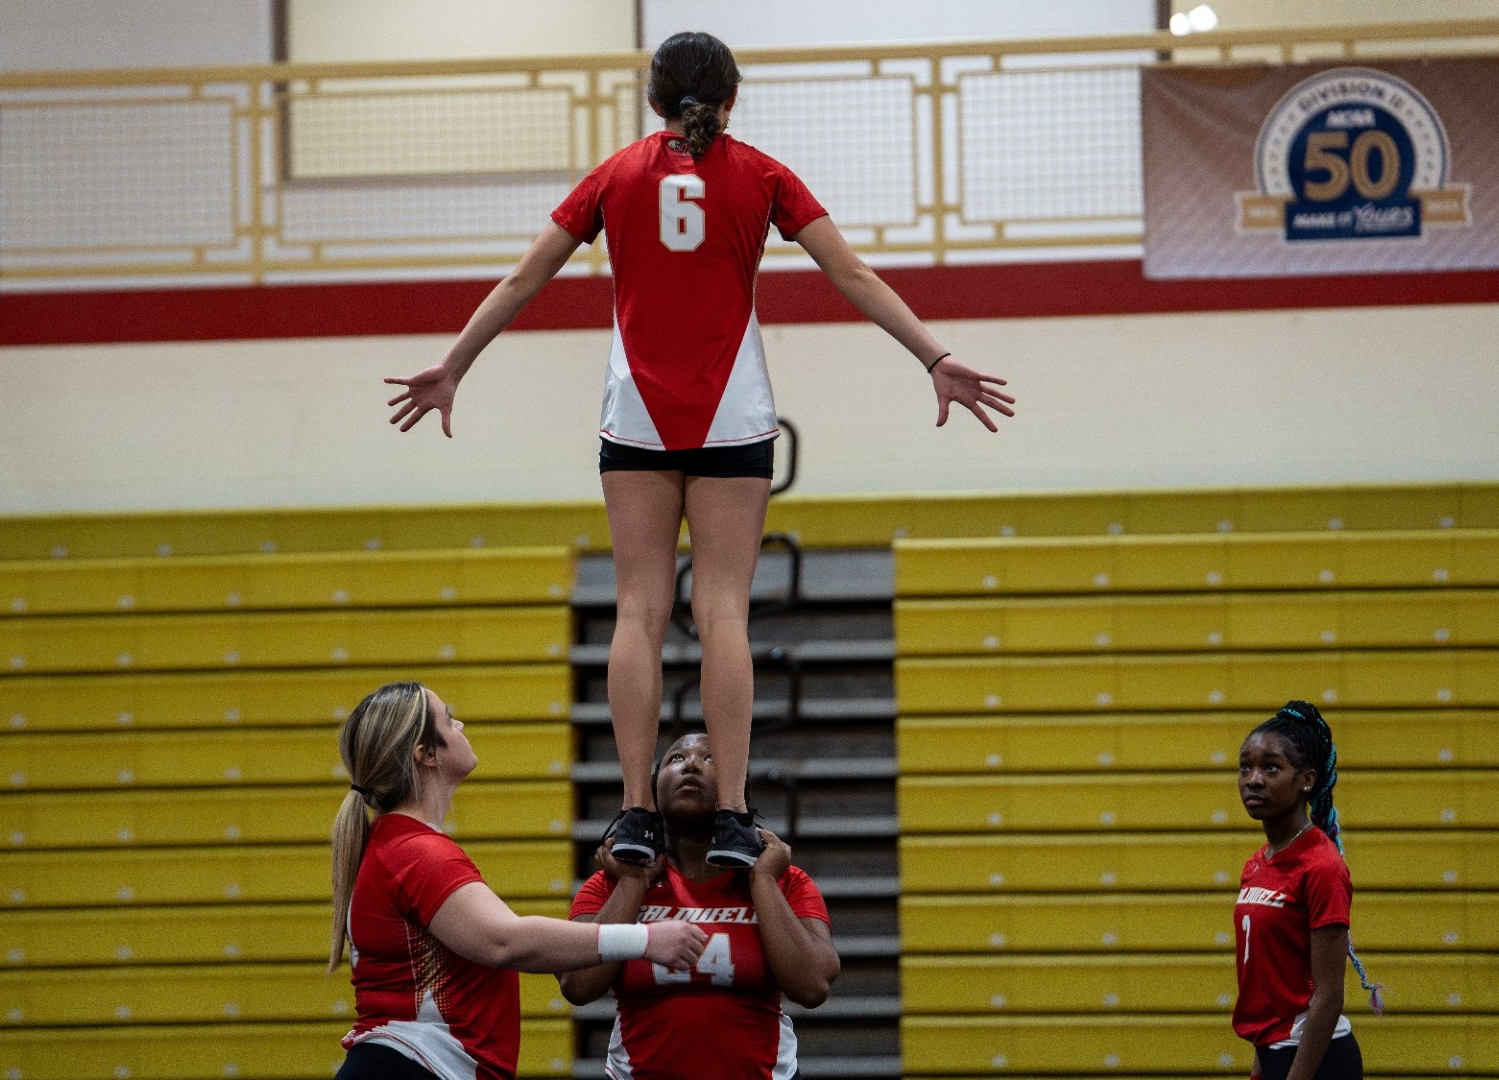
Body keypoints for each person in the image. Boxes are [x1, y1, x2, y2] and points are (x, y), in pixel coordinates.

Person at [385, 31, 1016, 870]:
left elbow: (521, 279)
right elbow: (853, 275)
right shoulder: (763, 176)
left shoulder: (615, 176)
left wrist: (453, 366)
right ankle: (732, 813)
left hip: (637, 417)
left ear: (653, 100)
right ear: (732, 98)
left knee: (638, 611)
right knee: (724, 613)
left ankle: (635, 809)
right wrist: (935, 358)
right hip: (732, 414)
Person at [329, 681, 707, 1080]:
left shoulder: (396, 844)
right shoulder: (414, 852)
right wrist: (646, 940)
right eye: (447, 720)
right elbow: (504, 941)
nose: (460, 725)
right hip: (410, 1065)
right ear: (426, 755)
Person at [557, 732, 840, 1079]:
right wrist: (633, 883)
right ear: (653, 794)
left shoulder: (785, 881)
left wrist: (762, 880)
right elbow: (577, 985)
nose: (691, 764)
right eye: (676, 758)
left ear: (739, 795)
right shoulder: (610, 883)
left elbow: (812, 987)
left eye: (710, 759)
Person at [1234, 700, 1383, 1080]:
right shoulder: (1257, 863)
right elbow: (1270, 985)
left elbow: (1329, 997)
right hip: (1275, 1053)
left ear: (1306, 780)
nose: (1253, 779)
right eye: (1245, 766)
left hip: (1317, 1060)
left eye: (1271, 767)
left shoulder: (1321, 866)